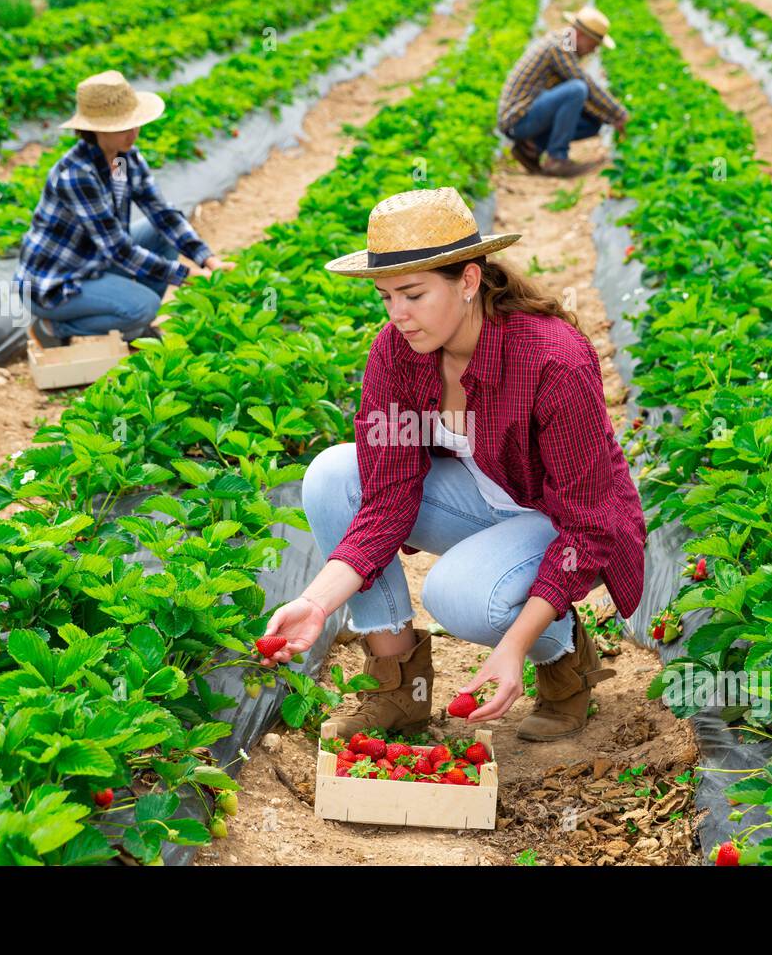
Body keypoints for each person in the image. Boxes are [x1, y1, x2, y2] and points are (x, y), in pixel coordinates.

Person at [259, 187, 647, 742]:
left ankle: (563, 660)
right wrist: (315, 604)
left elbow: (588, 527)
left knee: (457, 597)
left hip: (556, 522)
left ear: (468, 281)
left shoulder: (552, 359)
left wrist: (512, 647)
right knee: (332, 476)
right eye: (386, 297)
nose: (399, 315)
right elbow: (386, 501)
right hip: (479, 501)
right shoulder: (395, 353)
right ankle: (397, 686)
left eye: (413, 294)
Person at [14, 70, 234, 347]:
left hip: (95, 261)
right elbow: (120, 250)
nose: (133, 133)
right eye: (123, 126)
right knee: (145, 306)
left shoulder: (124, 158)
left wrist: (208, 260)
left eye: (135, 123)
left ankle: (134, 330)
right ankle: (53, 327)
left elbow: (162, 214)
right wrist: (186, 276)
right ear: (95, 129)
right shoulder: (77, 174)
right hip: (54, 282)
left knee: (159, 232)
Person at [496, 6, 629, 177]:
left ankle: (532, 148)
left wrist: (610, 118)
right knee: (577, 89)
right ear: (581, 35)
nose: (594, 50)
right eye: (594, 44)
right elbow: (584, 85)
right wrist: (620, 114)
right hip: (517, 120)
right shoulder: (559, 47)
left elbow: (585, 101)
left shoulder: (565, 43)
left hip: (529, 113)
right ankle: (556, 160)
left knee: (593, 123)